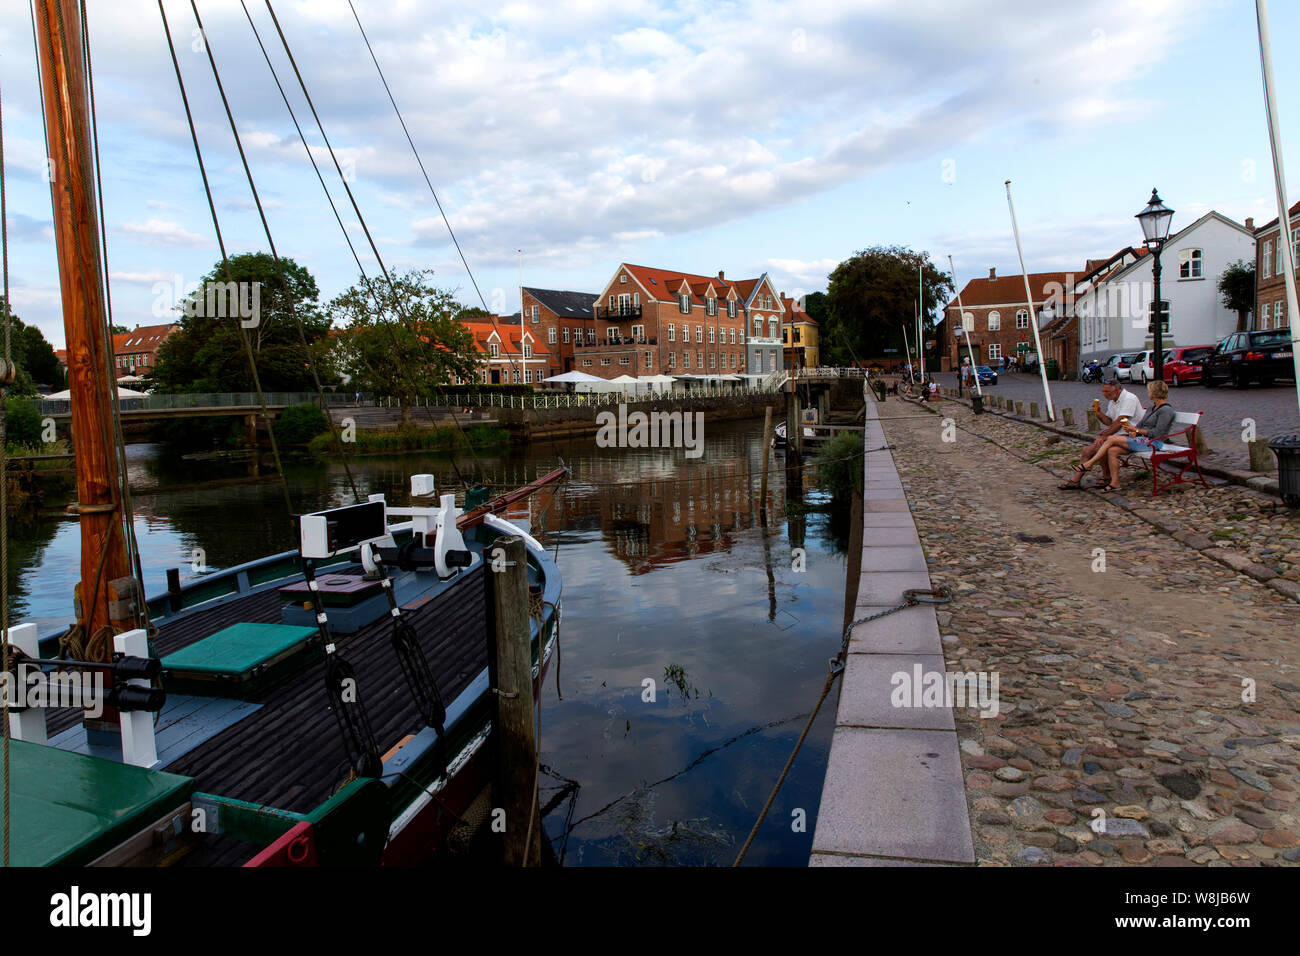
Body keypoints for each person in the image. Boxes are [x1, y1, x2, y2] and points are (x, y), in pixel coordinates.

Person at [1074, 380, 1175, 492]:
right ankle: (1115, 483)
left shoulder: (1166, 410)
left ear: (1154, 393)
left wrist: (1135, 430)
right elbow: (1140, 424)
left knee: (1110, 439)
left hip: (1154, 442)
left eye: (1149, 391)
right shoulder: (1152, 408)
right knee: (1112, 450)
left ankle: (1089, 464)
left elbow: (1158, 433)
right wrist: (1135, 432)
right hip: (1142, 439)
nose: (1148, 393)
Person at [1059, 381, 1144, 489]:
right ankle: (1077, 479)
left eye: (1107, 391)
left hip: (1132, 435)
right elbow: (1109, 422)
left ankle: (1104, 476)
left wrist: (1105, 436)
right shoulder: (1113, 401)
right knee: (1088, 450)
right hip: (1119, 434)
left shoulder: (1129, 399)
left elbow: (1120, 422)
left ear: (1117, 389)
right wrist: (1099, 413)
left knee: (1102, 445)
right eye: (1103, 391)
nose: (1104, 394)